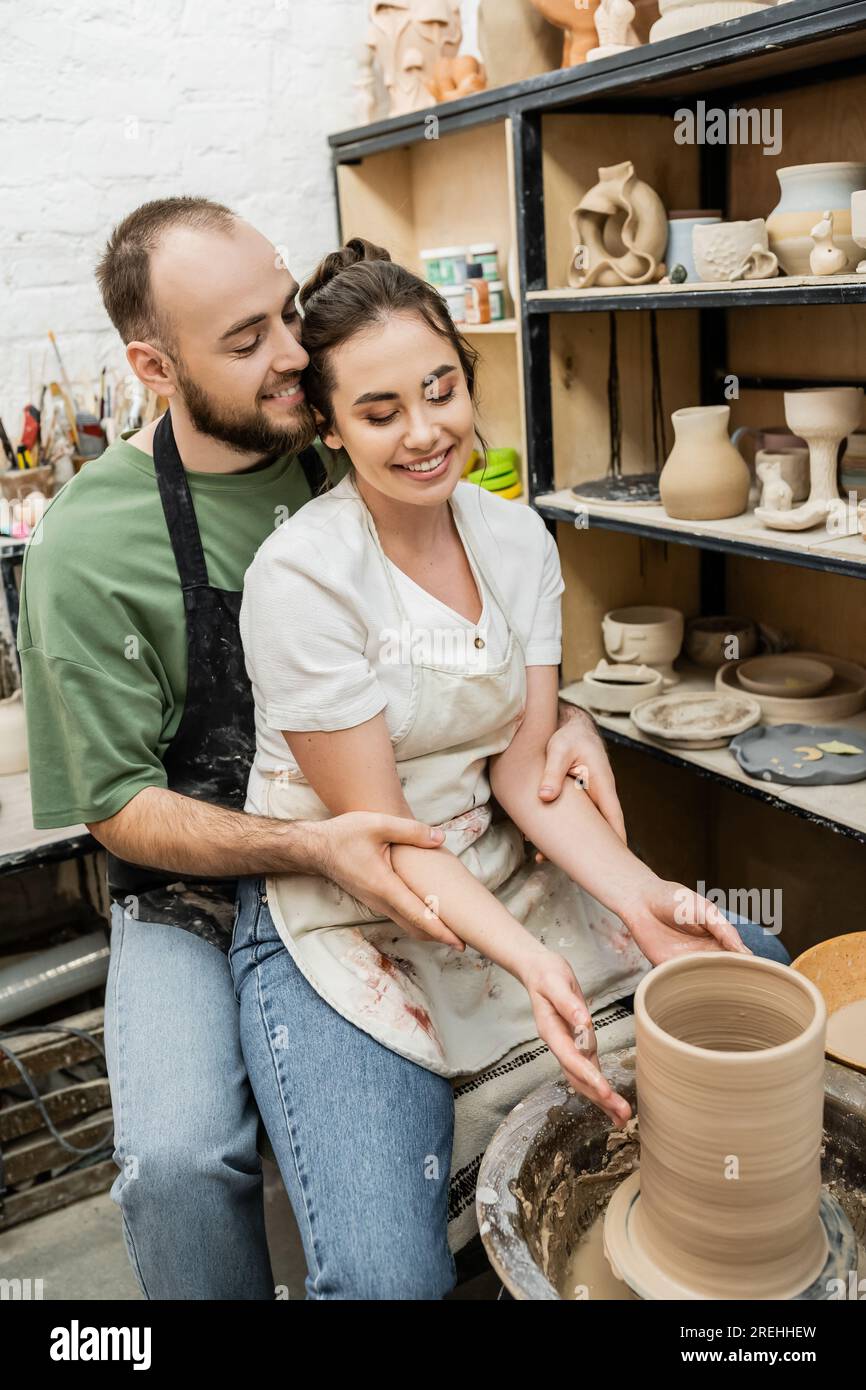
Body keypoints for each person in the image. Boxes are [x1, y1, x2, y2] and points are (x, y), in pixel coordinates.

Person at [17, 199, 626, 1300]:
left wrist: (559, 716)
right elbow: (114, 805)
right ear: (155, 366)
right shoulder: (90, 542)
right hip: (198, 887)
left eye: (286, 314)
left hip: (404, 837)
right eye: (245, 343)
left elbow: (473, 649)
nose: (296, 356)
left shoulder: (345, 436)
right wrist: (308, 846)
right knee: (180, 1159)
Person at [234, 239, 790, 1300]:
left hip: (495, 859)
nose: (424, 431)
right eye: (379, 410)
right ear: (329, 424)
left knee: (741, 966)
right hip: (347, 902)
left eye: (439, 390)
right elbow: (385, 840)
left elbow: (526, 772)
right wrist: (535, 968)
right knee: (389, 1281)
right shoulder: (303, 576)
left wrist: (641, 896)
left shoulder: (513, 537)